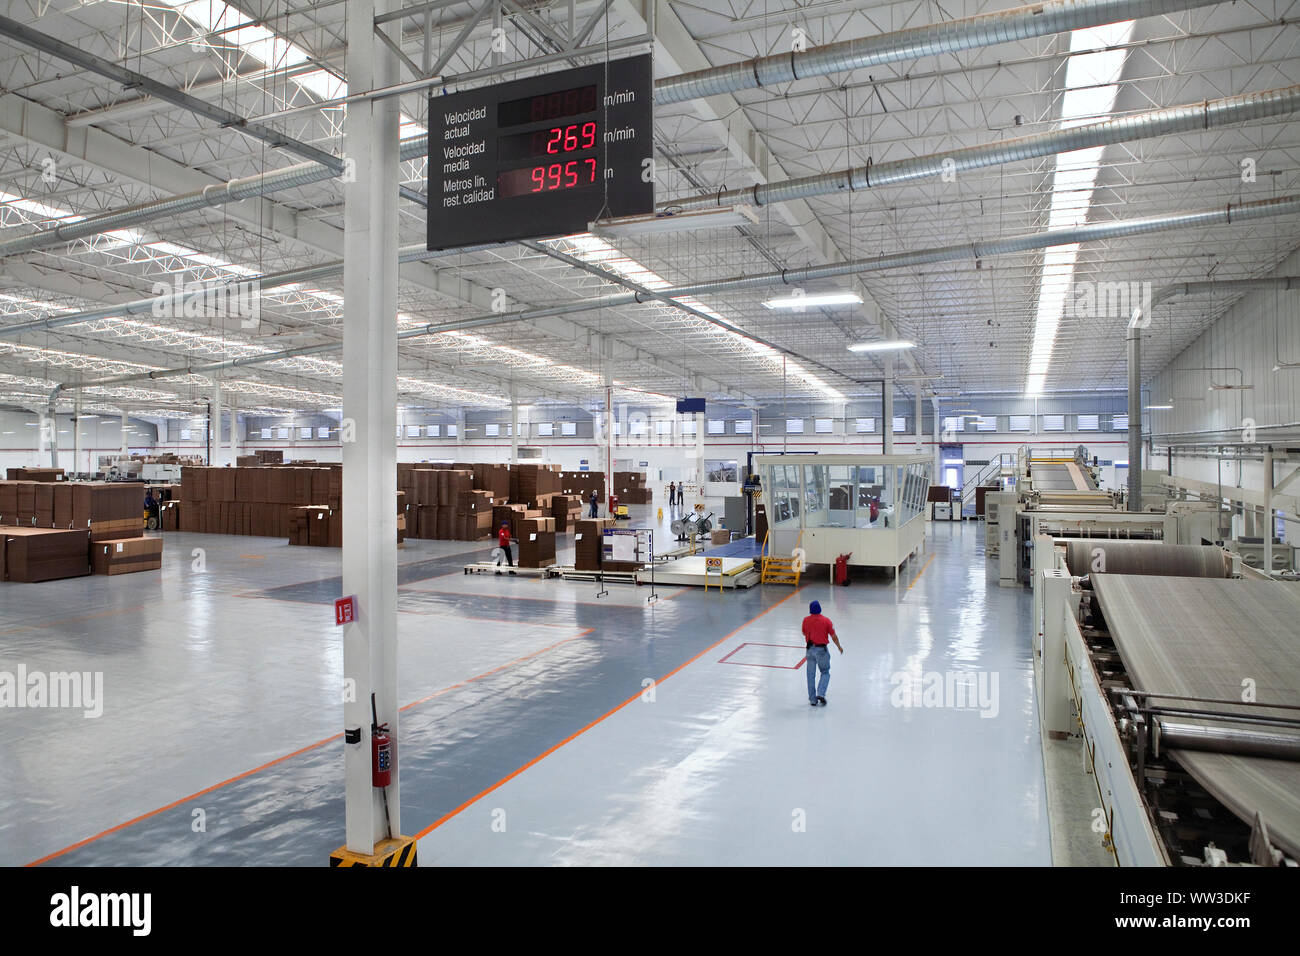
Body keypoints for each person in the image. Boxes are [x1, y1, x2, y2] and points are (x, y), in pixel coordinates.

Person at [802, 600, 843, 706]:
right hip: (822, 651)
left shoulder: (806, 620)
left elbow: (803, 632)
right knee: (825, 672)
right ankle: (821, 693)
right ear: (820, 609)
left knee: (810, 675)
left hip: (810, 650)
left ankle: (812, 700)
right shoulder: (826, 621)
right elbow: (833, 636)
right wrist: (839, 647)